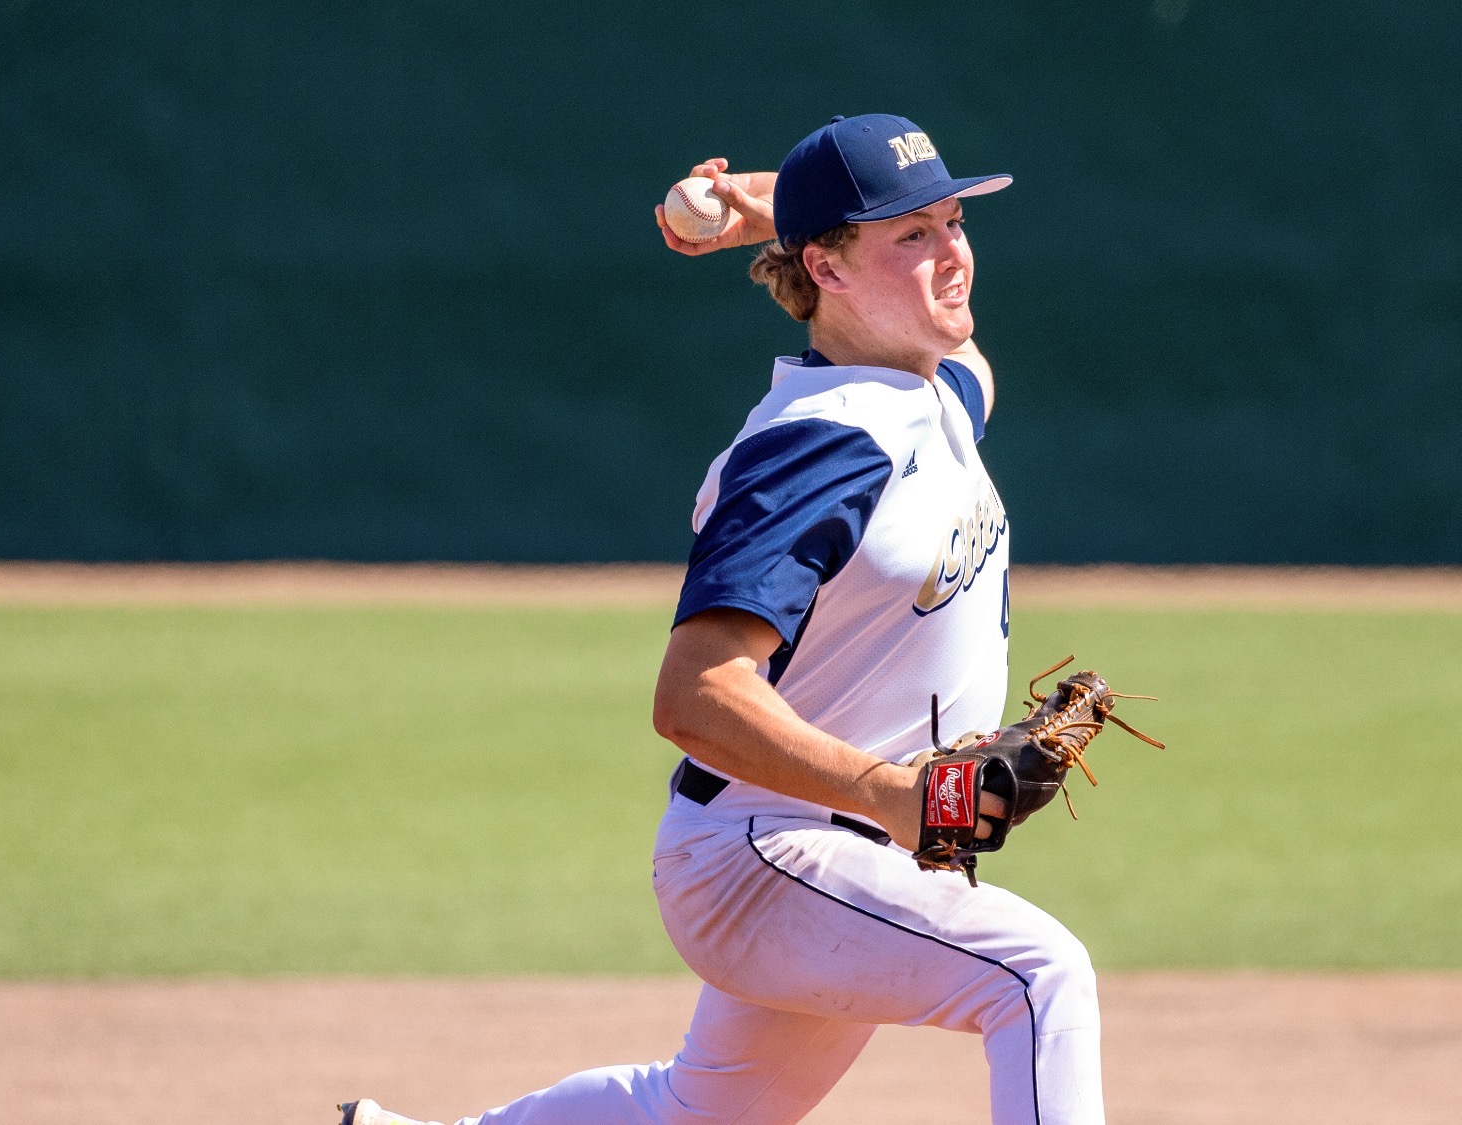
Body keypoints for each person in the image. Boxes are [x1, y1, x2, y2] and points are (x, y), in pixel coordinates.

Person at [343, 112, 1103, 1125]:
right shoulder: (813, 447)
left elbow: (929, 333)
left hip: (847, 849)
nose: (951, 255)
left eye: (954, 221)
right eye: (910, 235)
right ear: (827, 270)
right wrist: (890, 793)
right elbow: (694, 694)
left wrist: (757, 207)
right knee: (1035, 975)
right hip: (764, 855)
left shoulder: (938, 391)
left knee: (700, 1115)